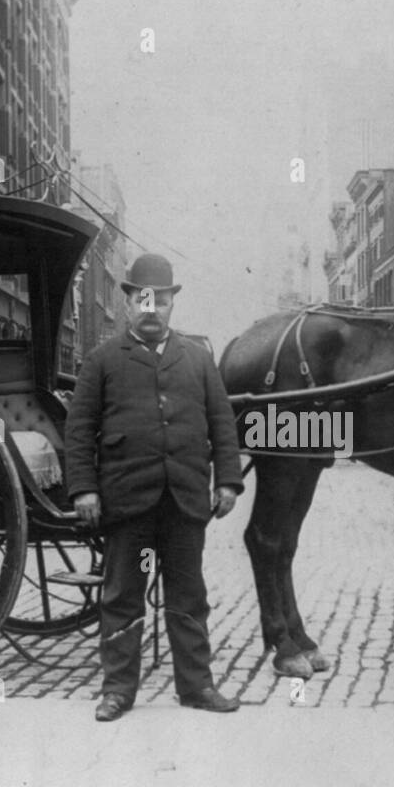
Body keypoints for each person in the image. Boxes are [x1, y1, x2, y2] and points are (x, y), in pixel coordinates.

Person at [65, 253, 245, 721]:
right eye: (142, 300)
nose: (151, 309)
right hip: (128, 503)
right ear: (128, 303)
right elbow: (79, 430)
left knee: (189, 597)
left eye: (159, 301)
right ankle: (117, 691)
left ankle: (197, 686)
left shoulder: (198, 360)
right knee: (122, 597)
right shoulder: (103, 361)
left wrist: (227, 480)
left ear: (171, 305)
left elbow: (222, 423)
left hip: (184, 501)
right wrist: (84, 489)